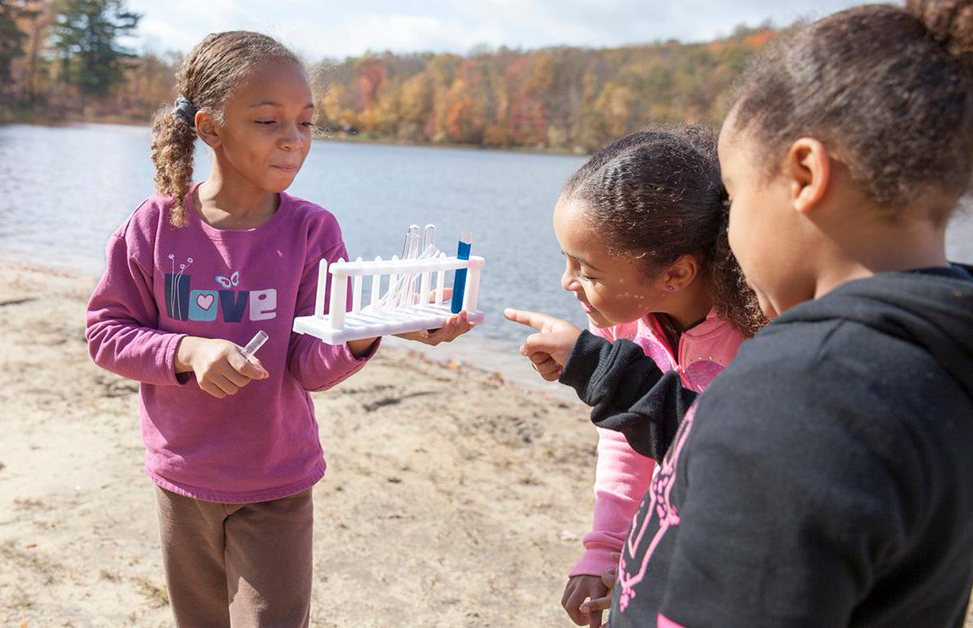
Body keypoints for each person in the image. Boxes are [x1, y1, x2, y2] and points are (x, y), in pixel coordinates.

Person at [518, 1, 973, 625]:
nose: (723, 236)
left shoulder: (787, 396)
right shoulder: (942, 360)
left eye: (736, 195)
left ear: (805, 175)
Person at [85, 31, 469, 627]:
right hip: (183, 478)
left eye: (306, 123)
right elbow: (106, 333)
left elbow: (310, 366)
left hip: (277, 479)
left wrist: (368, 331)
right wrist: (188, 349)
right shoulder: (157, 225)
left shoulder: (313, 232)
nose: (293, 139)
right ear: (211, 128)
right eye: (268, 121)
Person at [505, 126, 764, 628]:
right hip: (657, 554)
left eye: (588, 271)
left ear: (676, 275)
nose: (567, 282)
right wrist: (604, 550)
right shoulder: (626, 323)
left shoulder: (756, 338)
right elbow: (628, 435)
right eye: (567, 261)